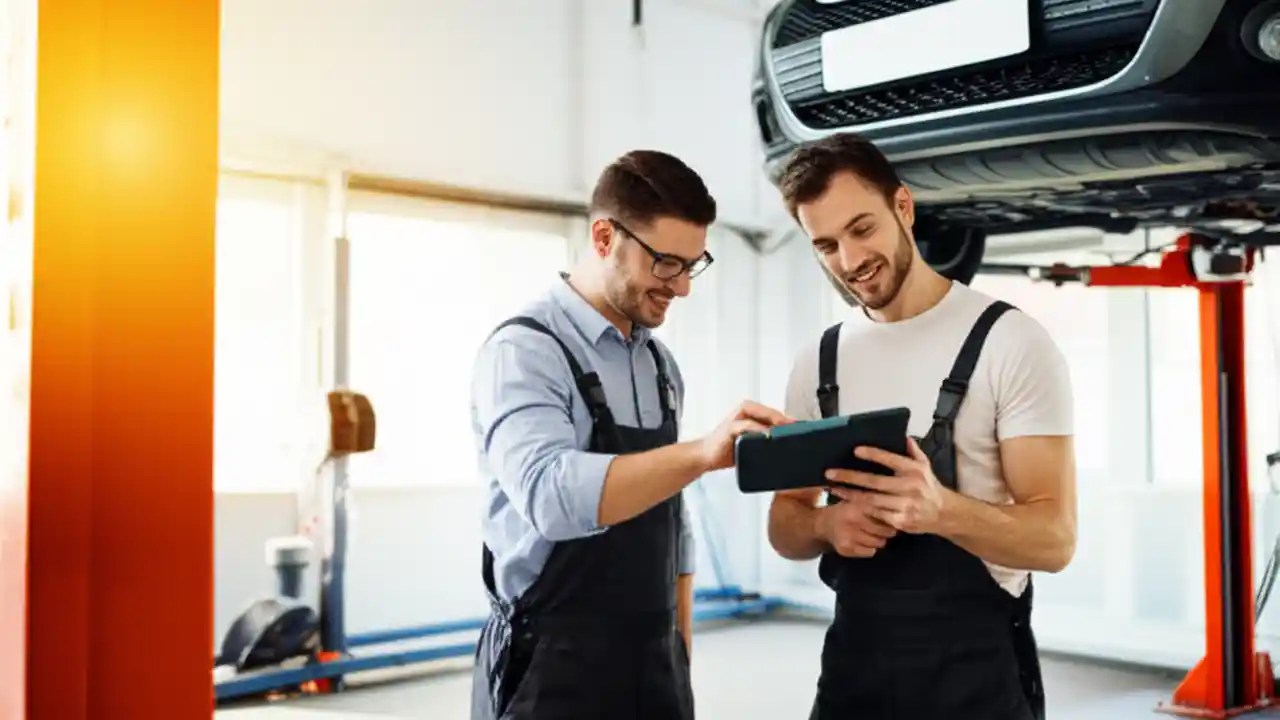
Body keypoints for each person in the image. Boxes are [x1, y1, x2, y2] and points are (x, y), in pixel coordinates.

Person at [469, 149, 790, 720]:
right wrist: (700, 453)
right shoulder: (525, 351)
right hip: (550, 668)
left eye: (693, 265)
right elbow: (549, 495)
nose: (683, 287)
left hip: (653, 664)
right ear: (602, 237)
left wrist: (678, 652)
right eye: (667, 263)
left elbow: (672, 518)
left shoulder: (660, 365)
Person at [766, 133, 1077, 720]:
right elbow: (786, 525)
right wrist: (829, 524)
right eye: (826, 245)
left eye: (862, 229)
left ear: (903, 208)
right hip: (853, 674)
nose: (851, 261)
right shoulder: (819, 362)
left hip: (976, 678)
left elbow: (1055, 540)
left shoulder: (1009, 342)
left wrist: (941, 511)